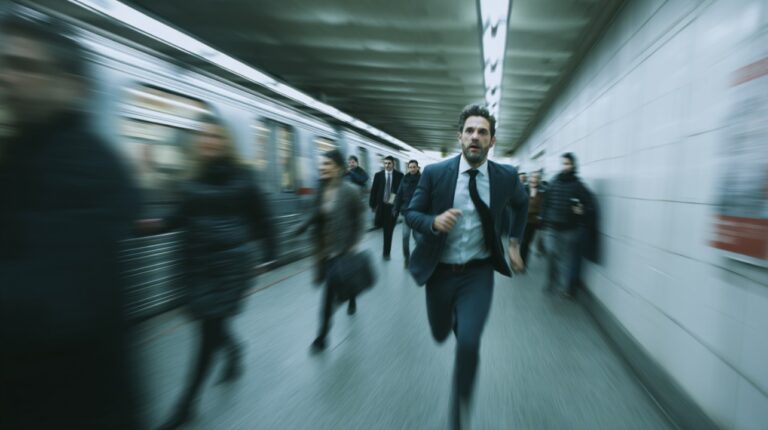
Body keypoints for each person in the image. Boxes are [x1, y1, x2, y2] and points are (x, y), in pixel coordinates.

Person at [0, 13, 141, 429]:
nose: (5, 76)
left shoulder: (86, 169)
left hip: (74, 406)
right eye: (2, 62)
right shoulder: (22, 157)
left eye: (23, 66)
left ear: (73, 87)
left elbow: (50, 304)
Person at [405, 104, 528, 429]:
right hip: (440, 272)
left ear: (492, 141)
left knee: (469, 342)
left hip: (478, 272)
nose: (475, 136)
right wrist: (434, 221)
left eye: (482, 132)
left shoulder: (505, 176)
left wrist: (514, 243)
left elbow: (522, 203)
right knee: (441, 332)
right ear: (459, 137)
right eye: (470, 131)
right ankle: (452, 320)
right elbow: (411, 214)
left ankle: (458, 415)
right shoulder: (435, 174)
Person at [155, 112, 276, 430]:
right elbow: (178, 217)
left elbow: (264, 219)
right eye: (204, 136)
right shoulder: (193, 179)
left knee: (207, 332)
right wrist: (144, 224)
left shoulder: (243, 177)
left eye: (215, 136)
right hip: (194, 264)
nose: (209, 141)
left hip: (228, 267)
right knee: (208, 322)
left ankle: (186, 404)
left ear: (226, 142)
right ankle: (235, 350)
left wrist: (269, 256)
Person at [295, 149, 365, 352]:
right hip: (324, 250)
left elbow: (360, 218)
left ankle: (322, 337)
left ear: (339, 168)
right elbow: (316, 214)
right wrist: (301, 227)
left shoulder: (349, 191)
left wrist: (354, 243)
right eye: (322, 164)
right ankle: (351, 295)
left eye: (327, 164)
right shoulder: (321, 189)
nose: (322, 168)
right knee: (335, 286)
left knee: (327, 295)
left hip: (342, 250)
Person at [540, 152, 593, 299]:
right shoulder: (554, 182)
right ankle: (552, 281)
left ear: (573, 165)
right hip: (551, 228)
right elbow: (545, 203)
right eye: (563, 163)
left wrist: (581, 210)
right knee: (551, 253)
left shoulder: (578, 186)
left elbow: (588, 206)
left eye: (568, 164)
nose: (565, 166)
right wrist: (543, 220)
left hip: (570, 230)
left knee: (566, 260)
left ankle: (566, 288)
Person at [369, 155, 403, 260]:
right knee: (379, 225)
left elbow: (402, 191)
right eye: (385, 163)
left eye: (389, 163)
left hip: (392, 207)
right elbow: (374, 190)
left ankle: (386, 253)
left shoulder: (399, 175)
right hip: (381, 206)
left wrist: (400, 206)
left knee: (388, 230)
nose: (387, 165)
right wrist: (372, 205)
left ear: (393, 164)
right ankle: (383, 248)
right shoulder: (378, 175)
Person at [393, 159, 421, 268]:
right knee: (405, 236)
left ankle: (418, 258)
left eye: (414, 167)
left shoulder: (423, 179)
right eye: (410, 167)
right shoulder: (404, 180)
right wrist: (395, 208)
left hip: (418, 213)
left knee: (418, 238)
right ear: (408, 168)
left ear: (418, 168)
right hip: (406, 213)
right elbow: (399, 194)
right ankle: (406, 258)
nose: (412, 169)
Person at [520, 172, 544, 266]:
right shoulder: (524, 189)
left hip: (534, 221)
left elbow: (544, 205)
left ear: (539, 180)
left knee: (527, 242)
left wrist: (540, 215)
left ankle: (523, 261)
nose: (534, 179)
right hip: (523, 220)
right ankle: (521, 262)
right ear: (530, 178)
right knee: (523, 241)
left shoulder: (542, 191)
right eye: (533, 177)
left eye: (536, 178)